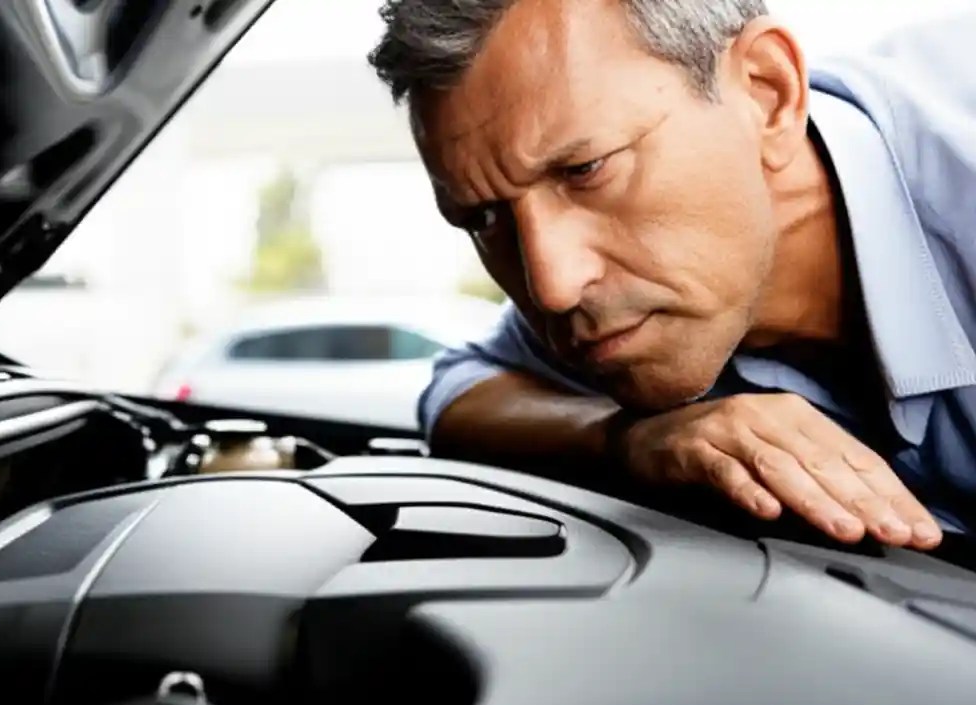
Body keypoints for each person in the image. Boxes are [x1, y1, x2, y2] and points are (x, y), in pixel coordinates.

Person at [367, 0, 976, 550]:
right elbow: (461, 390)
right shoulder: (620, 287)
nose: (552, 287)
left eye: (585, 169)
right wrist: (625, 440)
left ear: (767, 93)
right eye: (483, 218)